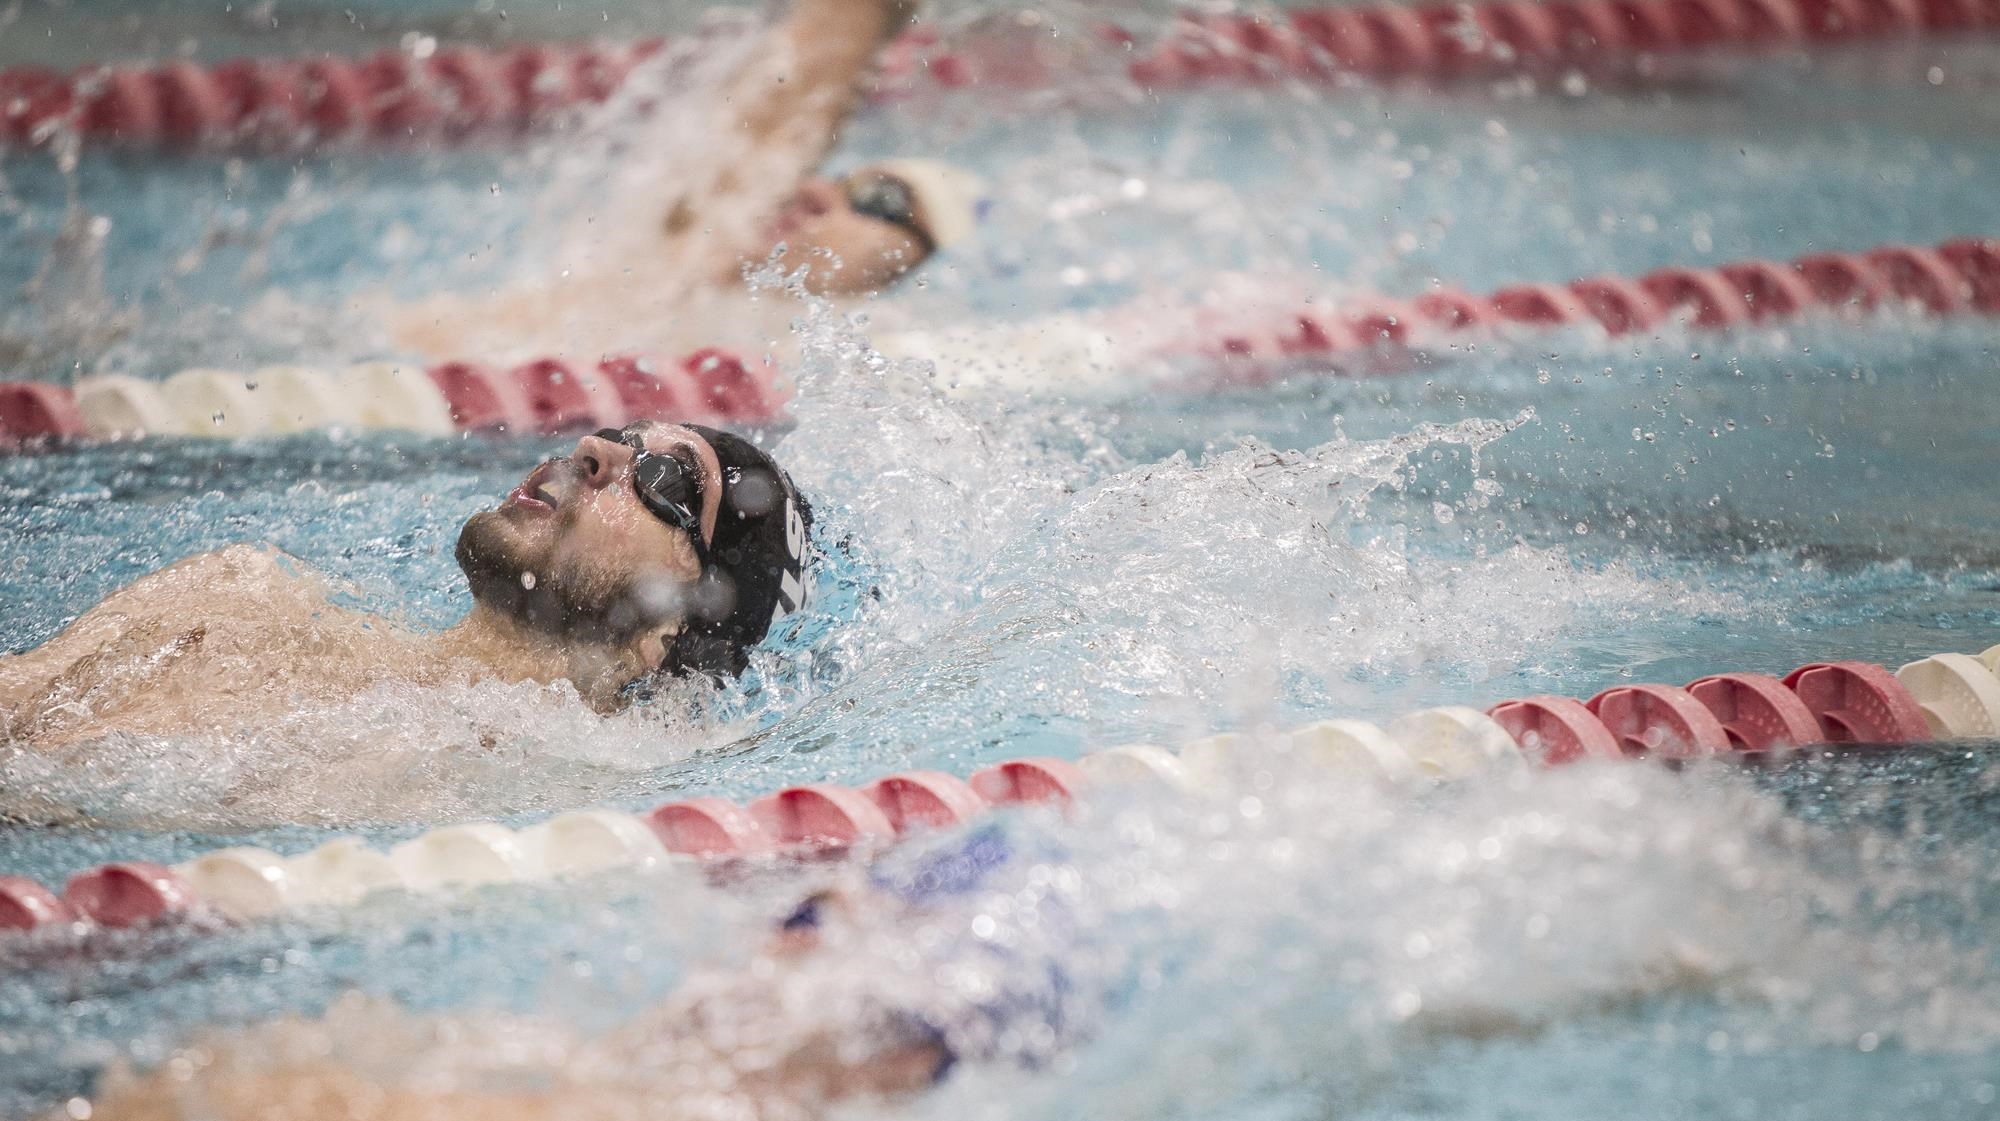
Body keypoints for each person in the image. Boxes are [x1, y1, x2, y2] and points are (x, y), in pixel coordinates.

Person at [81, 822, 1095, 1121]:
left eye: (811, 929)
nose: (766, 943)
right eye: (792, 913)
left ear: (896, 1058)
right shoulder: (572, 1063)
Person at [0, 422, 812, 751]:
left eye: (664, 476)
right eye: (627, 434)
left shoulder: (478, 794)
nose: (596, 445)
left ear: (665, 633)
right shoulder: (237, 587)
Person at [381, 0, 986, 366]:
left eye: (880, 200)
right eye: (841, 177)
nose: (818, 190)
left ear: (914, 265)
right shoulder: (682, 250)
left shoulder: (851, 352)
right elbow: (815, 73)